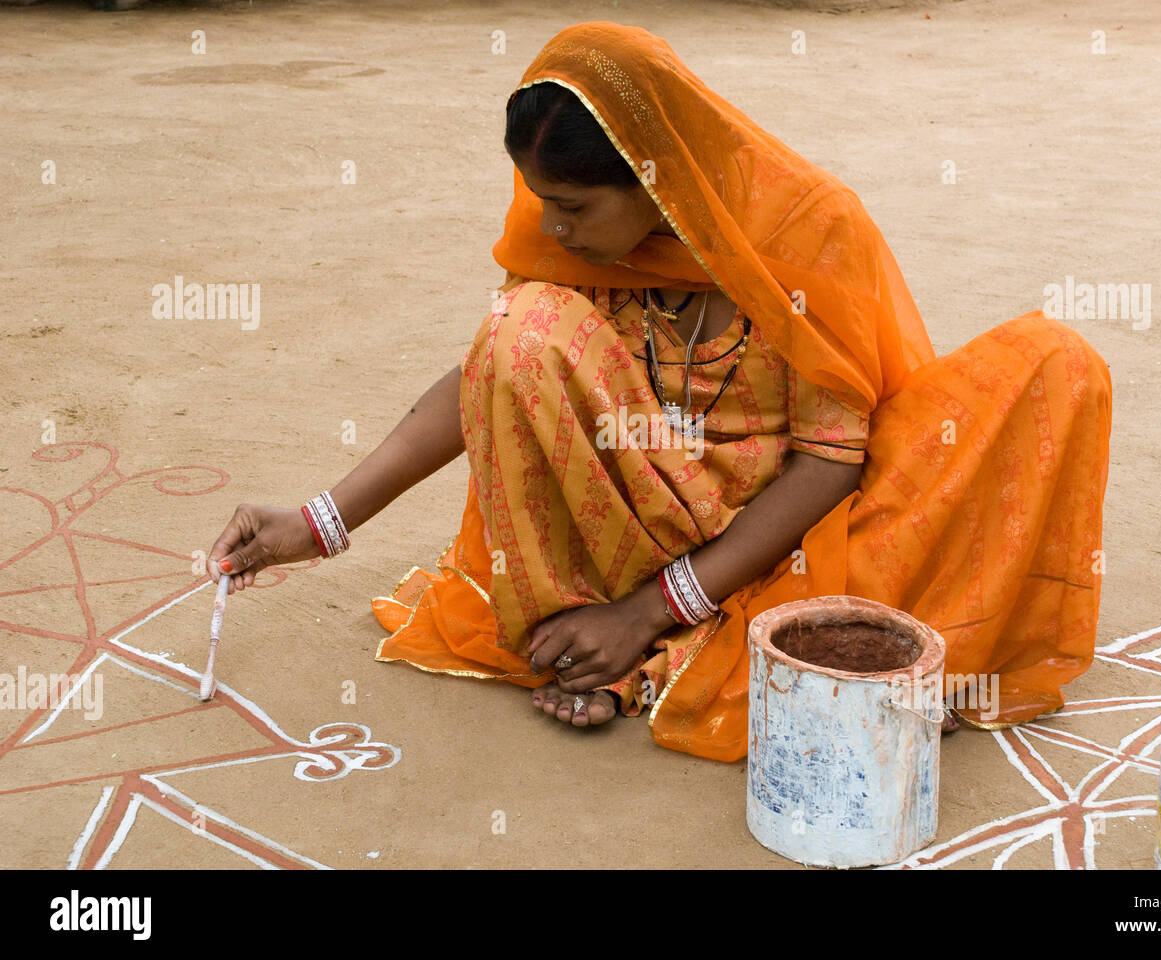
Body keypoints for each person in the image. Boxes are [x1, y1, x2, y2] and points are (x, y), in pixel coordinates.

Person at [207, 22, 1113, 763]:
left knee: (1053, 366)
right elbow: (483, 378)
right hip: (643, 501)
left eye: (573, 206)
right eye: (536, 198)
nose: (549, 225)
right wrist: (320, 521)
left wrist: (648, 610)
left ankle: (640, 640)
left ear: (655, 173)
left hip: (795, 521)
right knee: (518, 331)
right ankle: (586, 640)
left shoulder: (808, 231)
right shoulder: (565, 240)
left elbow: (833, 459)